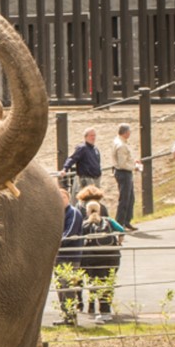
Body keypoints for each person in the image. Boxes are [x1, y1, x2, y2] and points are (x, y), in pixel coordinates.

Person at [80, 200, 121, 323]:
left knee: (95, 283)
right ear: (100, 210)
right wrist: (119, 240)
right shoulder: (109, 221)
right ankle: (106, 310)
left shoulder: (85, 224)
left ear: (87, 211)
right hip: (111, 257)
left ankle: (93, 306)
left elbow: (80, 239)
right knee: (107, 283)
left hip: (93, 259)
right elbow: (121, 229)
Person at [54, 188, 84, 326]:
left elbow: (70, 233)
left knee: (68, 286)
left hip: (70, 256)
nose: (61, 200)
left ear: (68, 198)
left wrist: (53, 243)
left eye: (63, 197)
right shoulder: (56, 213)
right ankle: (65, 316)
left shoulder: (73, 213)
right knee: (60, 287)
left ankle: (71, 317)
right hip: (59, 256)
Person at [111, 123, 142, 231]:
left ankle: (126, 221)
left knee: (130, 198)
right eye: (129, 131)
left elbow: (125, 159)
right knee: (125, 198)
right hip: (124, 173)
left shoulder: (118, 141)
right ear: (125, 132)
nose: (130, 133)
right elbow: (122, 163)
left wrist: (133, 161)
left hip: (123, 172)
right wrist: (135, 167)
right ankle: (120, 222)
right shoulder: (121, 145)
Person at [60, 127, 102, 194]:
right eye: (91, 135)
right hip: (87, 179)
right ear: (86, 137)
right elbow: (72, 158)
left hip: (97, 179)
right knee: (87, 198)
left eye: (94, 135)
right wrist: (65, 169)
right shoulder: (82, 148)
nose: (93, 137)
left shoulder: (95, 148)